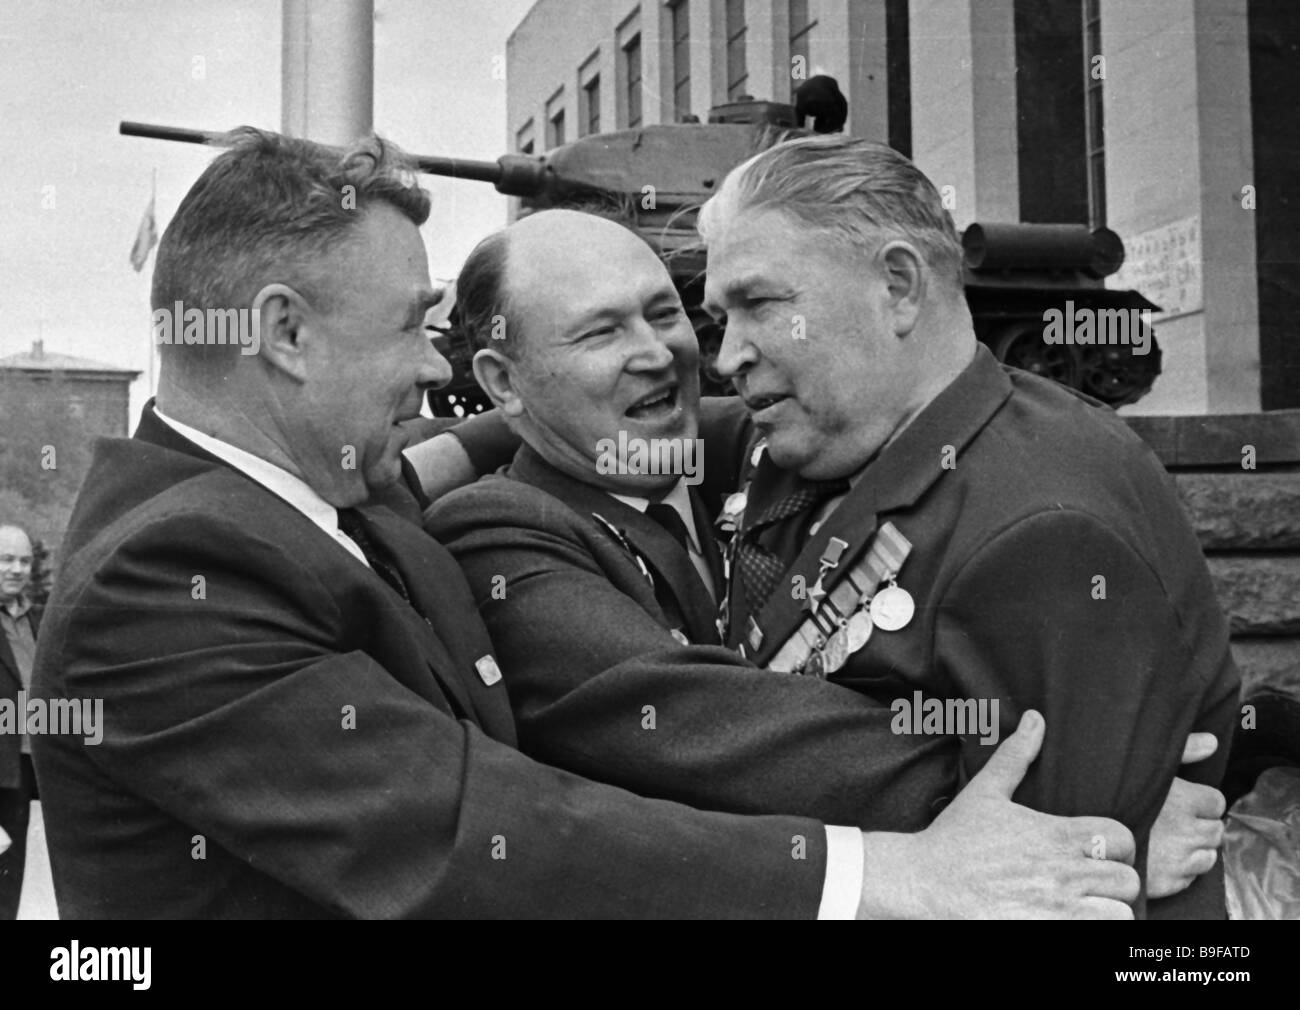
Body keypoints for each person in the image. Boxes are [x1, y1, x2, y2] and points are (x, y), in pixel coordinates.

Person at [30, 127, 1140, 920]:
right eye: (412, 326)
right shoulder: (165, 576)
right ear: (281, 333)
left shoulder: (337, 494)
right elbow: (472, 829)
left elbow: (568, 442)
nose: (432, 363)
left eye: (671, 315)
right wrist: (907, 873)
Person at [418, 208, 1229, 914]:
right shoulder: (497, 529)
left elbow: (911, 394)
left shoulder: (720, 444)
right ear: (502, 379)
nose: (661, 354)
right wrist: (1097, 802)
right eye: (601, 332)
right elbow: (703, 730)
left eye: (663, 314)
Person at [695, 133, 1240, 917]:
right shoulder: (830, 425)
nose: (726, 356)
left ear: (898, 287)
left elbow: (1047, 887)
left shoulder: (1043, 532)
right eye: (718, 317)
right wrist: (463, 446)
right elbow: (618, 424)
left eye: (759, 304)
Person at [0, 523, 40, 918]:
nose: (16, 569)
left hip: (24, 761)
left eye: (24, 560)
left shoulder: (36, 619)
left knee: (10, 868)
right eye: (6, 559)